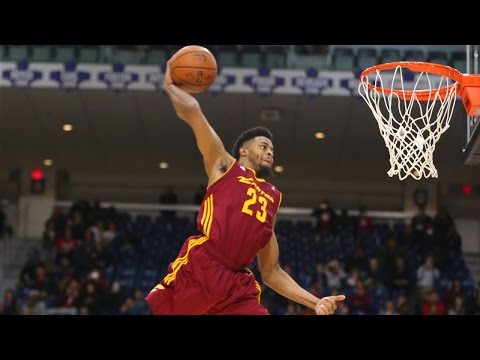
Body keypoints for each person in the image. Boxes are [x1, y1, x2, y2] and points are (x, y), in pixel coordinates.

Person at [145, 58, 346, 315]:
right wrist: (171, 86)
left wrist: (315, 301)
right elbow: (193, 112)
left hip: (235, 286)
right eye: (263, 146)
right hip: (202, 267)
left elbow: (272, 272)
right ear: (243, 150)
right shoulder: (224, 166)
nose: (270, 152)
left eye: (272, 149)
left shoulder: (272, 198)